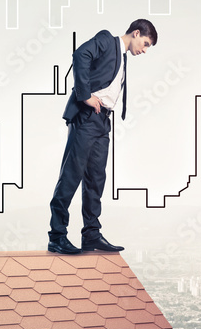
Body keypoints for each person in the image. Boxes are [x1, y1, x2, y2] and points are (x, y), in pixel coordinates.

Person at [47, 19, 157, 254]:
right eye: (146, 43)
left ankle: (91, 235)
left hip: (102, 120)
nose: (145, 50)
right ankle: (57, 236)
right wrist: (85, 94)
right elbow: (80, 55)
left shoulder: (123, 57)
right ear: (136, 33)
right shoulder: (107, 40)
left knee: (96, 179)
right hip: (86, 117)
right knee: (71, 175)